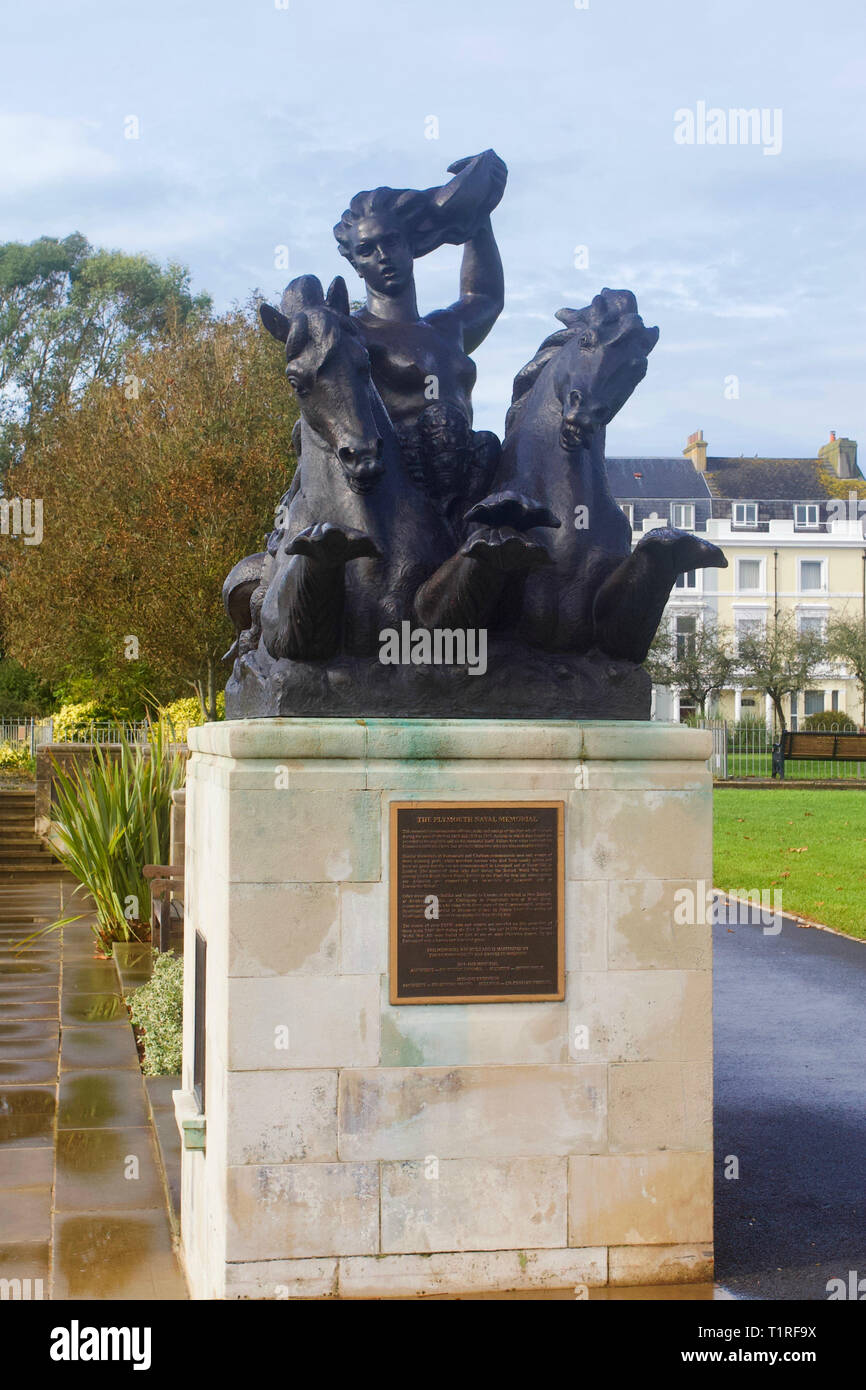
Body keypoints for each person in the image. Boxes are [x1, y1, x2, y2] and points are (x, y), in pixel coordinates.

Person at [332, 150, 507, 526]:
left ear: (409, 244)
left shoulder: (447, 328)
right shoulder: (354, 334)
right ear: (356, 264)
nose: (383, 256)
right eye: (367, 249)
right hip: (393, 504)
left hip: (468, 487)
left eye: (392, 241)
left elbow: (485, 297)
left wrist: (478, 211)